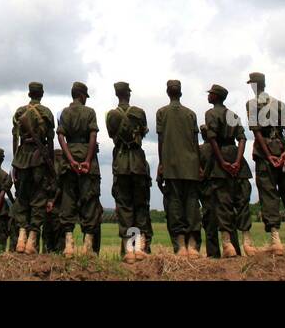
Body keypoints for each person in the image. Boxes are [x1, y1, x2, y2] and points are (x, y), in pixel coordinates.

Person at [245, 73, 285, 255]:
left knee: (269, 196)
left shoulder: (251, 104)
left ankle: (276, 240)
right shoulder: (278, 103)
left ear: (254, 86)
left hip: (264, 153)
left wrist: (268, 155)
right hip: (281, 149)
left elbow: (257, 132)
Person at [201, 84, 253, 257]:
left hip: (220, 160)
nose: (208, 96)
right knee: (242, 203)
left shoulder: (210, 114)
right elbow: (242, 139)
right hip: (237, 158)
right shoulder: (233, 115)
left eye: (211, 94)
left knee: (223, 204)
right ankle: (247, 242)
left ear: (216, 97)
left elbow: (213, 139)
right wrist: (237, 160)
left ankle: (227, 244)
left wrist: (222, 161)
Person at [155, 79, 202, 257]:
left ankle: (181, 246)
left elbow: (160, 141)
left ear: (168, 93)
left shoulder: (161, 113)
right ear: (180, 93)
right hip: (190, 166)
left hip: (171, 166)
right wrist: (198, 165)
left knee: (174, 205)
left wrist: (161, 164)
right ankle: (192, 246)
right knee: (192, 205)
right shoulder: (191, 114)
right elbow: (196, 142)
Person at [105, 81, 152, 261]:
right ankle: (140, 247)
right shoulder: (139, 112)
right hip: (138, 163)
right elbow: (144, 132)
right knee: (140, 205)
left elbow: (112, 135)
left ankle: (129, 250)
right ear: (129, 94)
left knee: (125, 208)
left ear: (117, 95)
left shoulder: (111, 115)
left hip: (121, 163)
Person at [12, 81, 56, 255]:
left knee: (22, 198)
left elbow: (15, 139)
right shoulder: (46, 113)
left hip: (22, 157)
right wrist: (51, 165)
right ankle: (31, 241)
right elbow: (50, 142)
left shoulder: (19, 112)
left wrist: (15, 161)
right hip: (39, 157)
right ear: (42, 94)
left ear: (29, 94)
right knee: (38, 198)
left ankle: (21, 239)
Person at [56, 82, 100, 257]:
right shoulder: (90, 112)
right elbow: (93, 135)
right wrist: (87, 161)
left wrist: (71, 159)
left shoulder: (65, 113)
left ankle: (69, 245)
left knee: (68, 199)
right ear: (82, 96)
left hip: (68, 162)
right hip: (88, 161)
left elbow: (60, 136)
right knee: (89, 201)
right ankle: (87, 247)